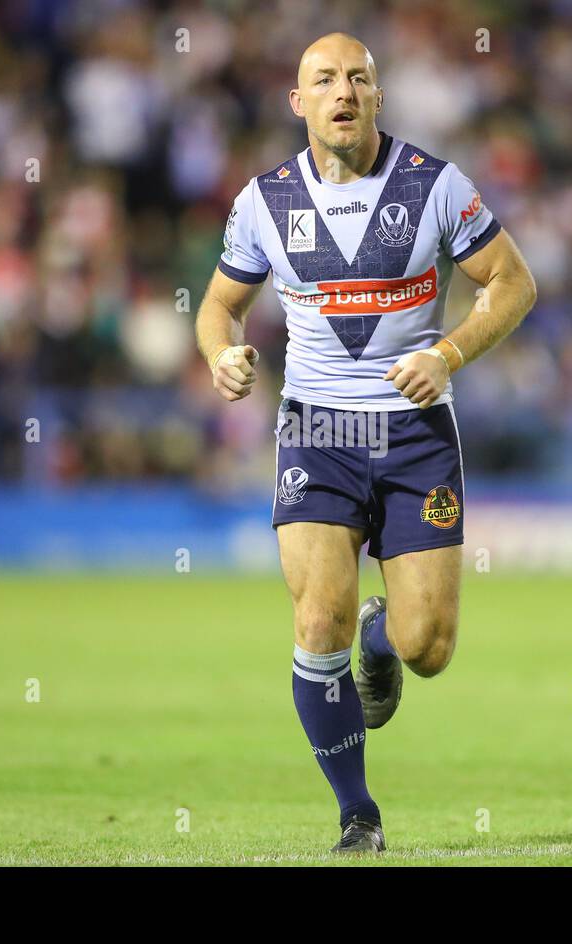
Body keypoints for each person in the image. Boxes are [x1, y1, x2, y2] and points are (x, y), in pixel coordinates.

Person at [194, 32, 537, 853]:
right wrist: (221, 355)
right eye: (324, 79)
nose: (342, 91)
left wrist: (447, 352)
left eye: (358, 78)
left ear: (378, 96)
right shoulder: (263, 203)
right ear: (298, 102)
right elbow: (217, 305)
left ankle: (385, 638)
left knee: (428, 648)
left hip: (417, 435)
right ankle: (358, 816)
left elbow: (514, 282)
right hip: (317, 432)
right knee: (319, 621)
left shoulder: (434, 186)